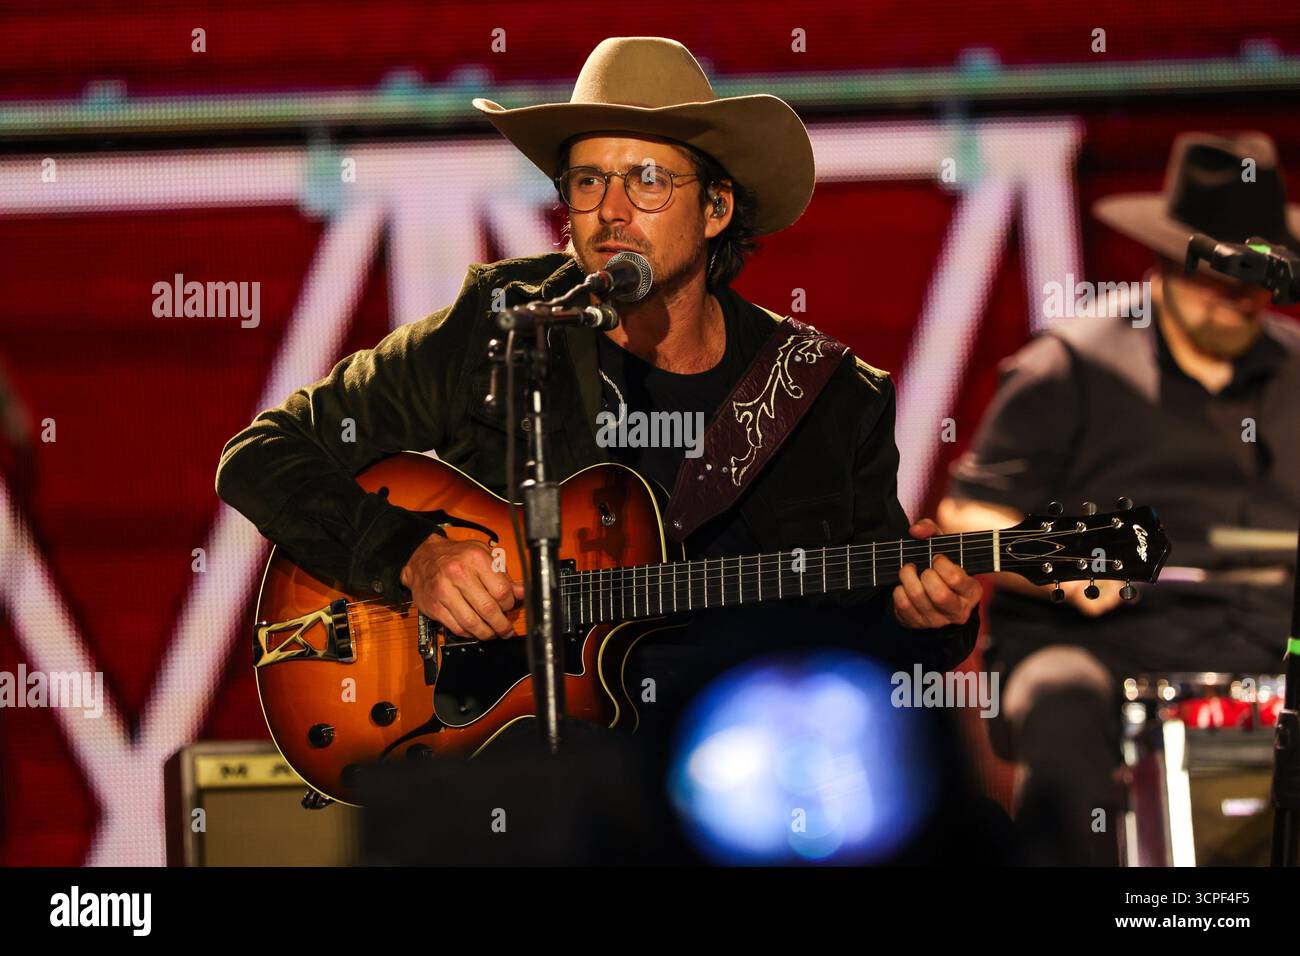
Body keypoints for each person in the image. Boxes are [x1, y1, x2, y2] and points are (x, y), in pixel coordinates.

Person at [217, 36, 981, 746]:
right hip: (531, 771)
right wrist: (410, 556)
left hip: (740, 767)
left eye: (647, 179)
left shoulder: (828, 396)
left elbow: (866, 633)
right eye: (588, 181)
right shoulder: (504, 325)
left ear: (716, 209)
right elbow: (260, 454)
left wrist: (929, 621)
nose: (611, 210)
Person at [938, 132, 1300, 864]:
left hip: (1271, 650)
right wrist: (1059, 566)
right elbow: (964, 515)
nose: (1239, 298)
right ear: (1167, 257)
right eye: (1220, 277)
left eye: (1253, 278)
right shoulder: (1072, 363)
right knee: (1060, 695)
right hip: (1101, 655)